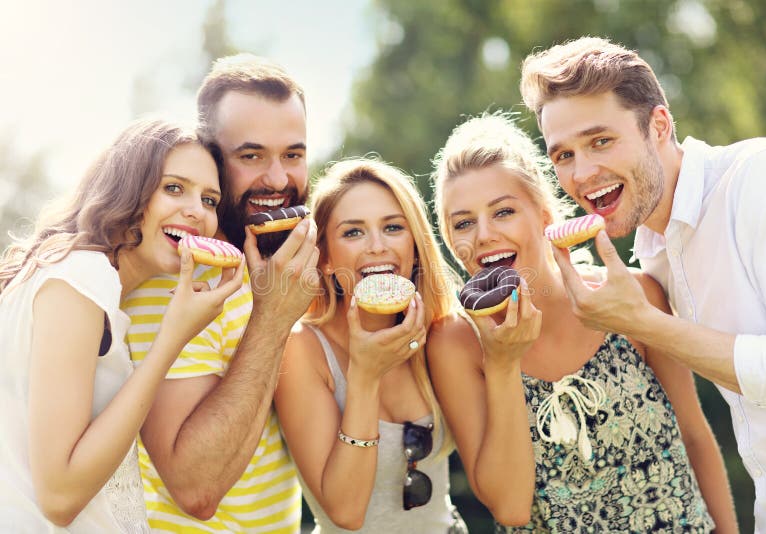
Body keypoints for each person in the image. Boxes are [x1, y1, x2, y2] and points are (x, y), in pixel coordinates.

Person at [520, 36, 766, 532]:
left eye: (601, 141)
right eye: (563, 155)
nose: (583, 173)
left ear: (659, 126)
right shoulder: (652, 249)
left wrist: (644, 323)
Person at [429, 113, 737, 532]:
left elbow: (695, 436)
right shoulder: (456, 343)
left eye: (503, 212)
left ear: (543, 217)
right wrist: (502, 364)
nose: (483, 235)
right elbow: (511, 508)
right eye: (463, 222)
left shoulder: (634, 295)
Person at [0, 118, 243, 532]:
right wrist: (172, 339)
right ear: (129, 187)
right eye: (174, 188)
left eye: (209, 200)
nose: (196, 211)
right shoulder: (81, 276)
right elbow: (60, 496)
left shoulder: (85, 277)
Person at [122, 55, 318, 532]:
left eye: (292, 154)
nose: (277, 179)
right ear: (209, 158)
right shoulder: (172, 283)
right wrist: (273, 320)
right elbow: (196, 489)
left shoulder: (278, 270)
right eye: (251, 156)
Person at [273, 158, 467, 533]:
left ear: (414, 242)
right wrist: (364, 377)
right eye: (353, 233)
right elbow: (345, 512)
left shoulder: (441, 332)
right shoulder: (303, 349)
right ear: (325, 257)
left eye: (393, 227)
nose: (377, 246)